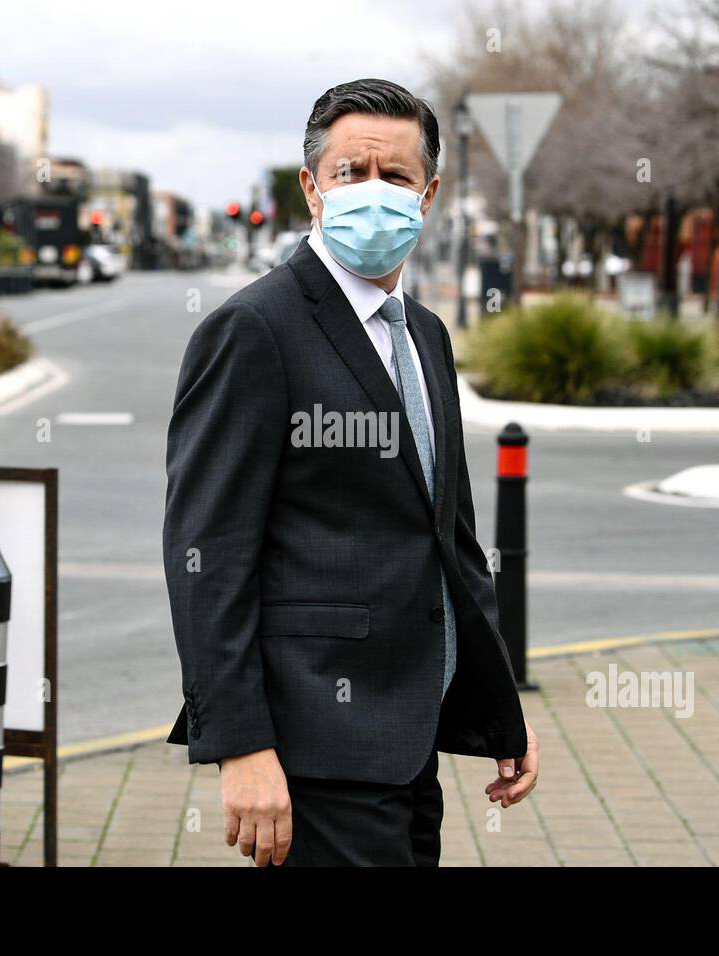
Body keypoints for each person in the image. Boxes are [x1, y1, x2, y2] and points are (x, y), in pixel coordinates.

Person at [162, 78, 538, 867]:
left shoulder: (425, 337)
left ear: (428, 193)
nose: (374, 192)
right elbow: (207, 555)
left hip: (409, 745)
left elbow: (451, 542)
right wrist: (240, 747)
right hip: (312, 752)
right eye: (349, 173)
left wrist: (500, 710)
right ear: (312, 188)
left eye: (396, 177)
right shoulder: (254, 330)